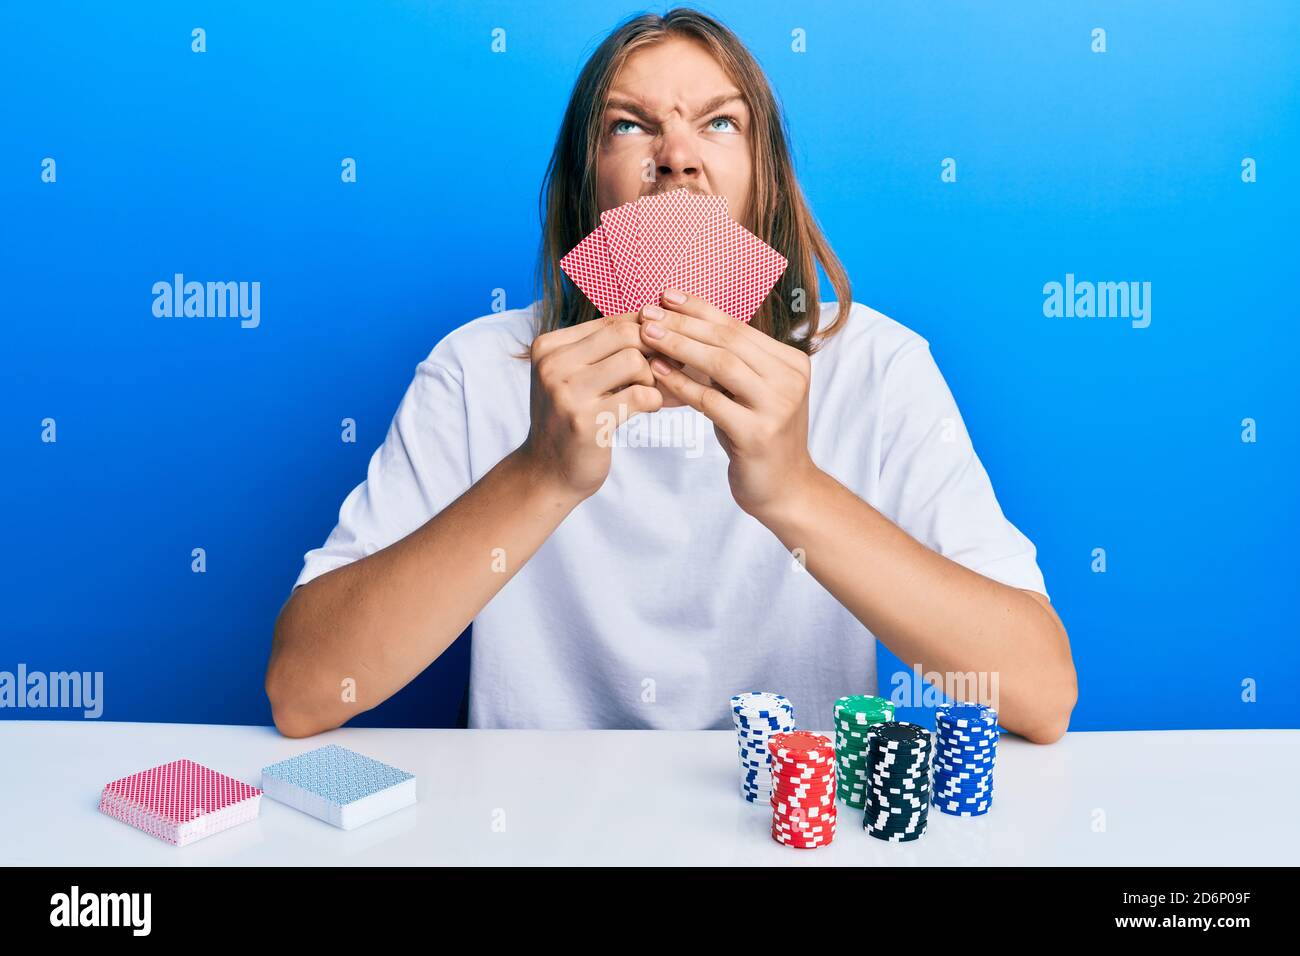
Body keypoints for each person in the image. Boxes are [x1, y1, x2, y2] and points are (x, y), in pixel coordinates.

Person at [266, 9, 1077, 742]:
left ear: (765, 177)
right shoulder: (477, 369)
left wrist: (793, 489)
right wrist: (540, 475)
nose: (677, 157)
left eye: (719, 123)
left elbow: (1041, 694)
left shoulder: (876, 367)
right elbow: (304, 690)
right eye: (629, 126)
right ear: (588, 187)